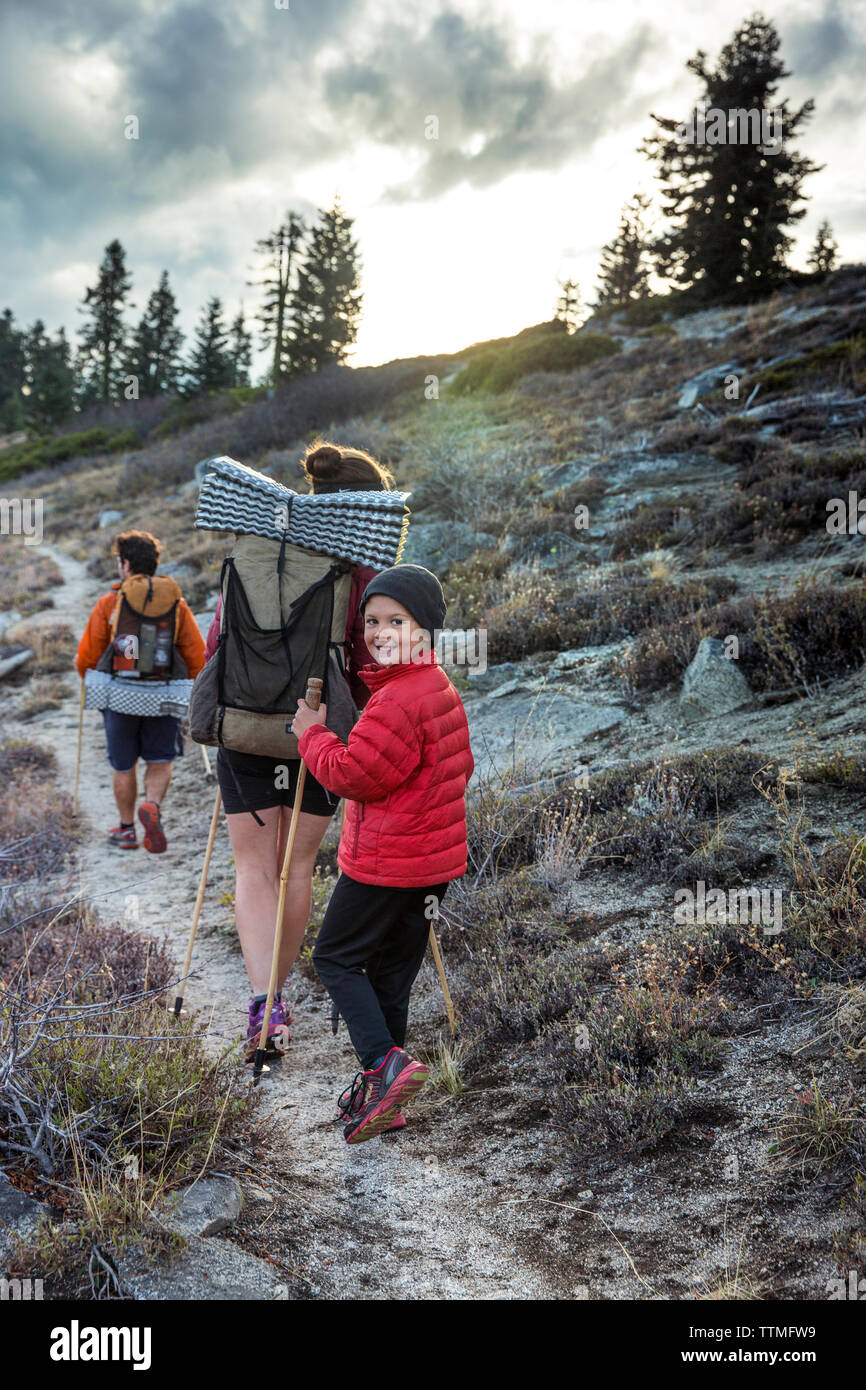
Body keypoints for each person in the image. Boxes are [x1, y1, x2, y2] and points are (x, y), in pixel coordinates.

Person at [201, 441, 395, 1059]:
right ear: (367, 505)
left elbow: (218, 640)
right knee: (297, 866)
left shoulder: (259, 548)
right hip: (320, 736)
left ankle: (266, 1004)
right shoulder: (361, 566)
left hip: (246, 727)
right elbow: (372, 663)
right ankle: (278, 992)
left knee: (255, 868)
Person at [291, 563, 474, 1145]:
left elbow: (352, 774)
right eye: (371, 620)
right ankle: (385, 1103)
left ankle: (384, 1066)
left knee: (336, 960)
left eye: (396, 620)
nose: (379, 631)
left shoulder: (398, 699)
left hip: (386, 863)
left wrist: (311, 735)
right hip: (431, 865)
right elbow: (457, 769)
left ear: (424, 629)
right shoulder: (436, 684)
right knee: (391, 978)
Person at [75, 530, 206, 853]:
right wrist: (181, 688)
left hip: (119, 696)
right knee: (160, 759)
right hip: (163, 696)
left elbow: (87, 658)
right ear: (154, 564)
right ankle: (152, 805)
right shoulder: (177, 605)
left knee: (123, 764)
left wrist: (95, 685)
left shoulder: (110, 603)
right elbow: (197, 655)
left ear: (126, 564)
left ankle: (126, 830)